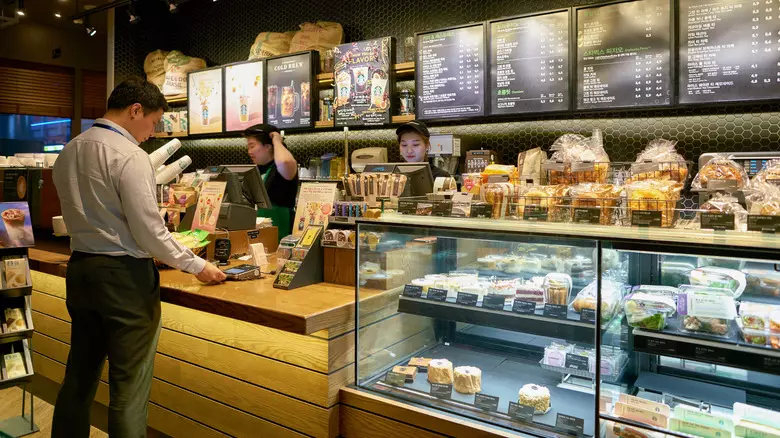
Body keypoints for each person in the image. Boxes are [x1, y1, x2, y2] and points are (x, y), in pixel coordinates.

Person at [51, 77, 226, 438]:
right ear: (135, 111)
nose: (152, 132)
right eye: (153, 122)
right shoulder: (129, 156)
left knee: (79, 376)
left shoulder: (70, 150)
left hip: (81, 271)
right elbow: (150, 232)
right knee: (129, 387)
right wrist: (198, 265)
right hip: (124, 279)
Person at [244, 123, 299, 238]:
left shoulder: (281, 168)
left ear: (268, 146)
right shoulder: (256, 170)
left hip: (280, 229)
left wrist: (277, 141)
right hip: (259, 230)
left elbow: (285, 162)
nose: (249, 151)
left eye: (252, 146)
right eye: (248, 147)